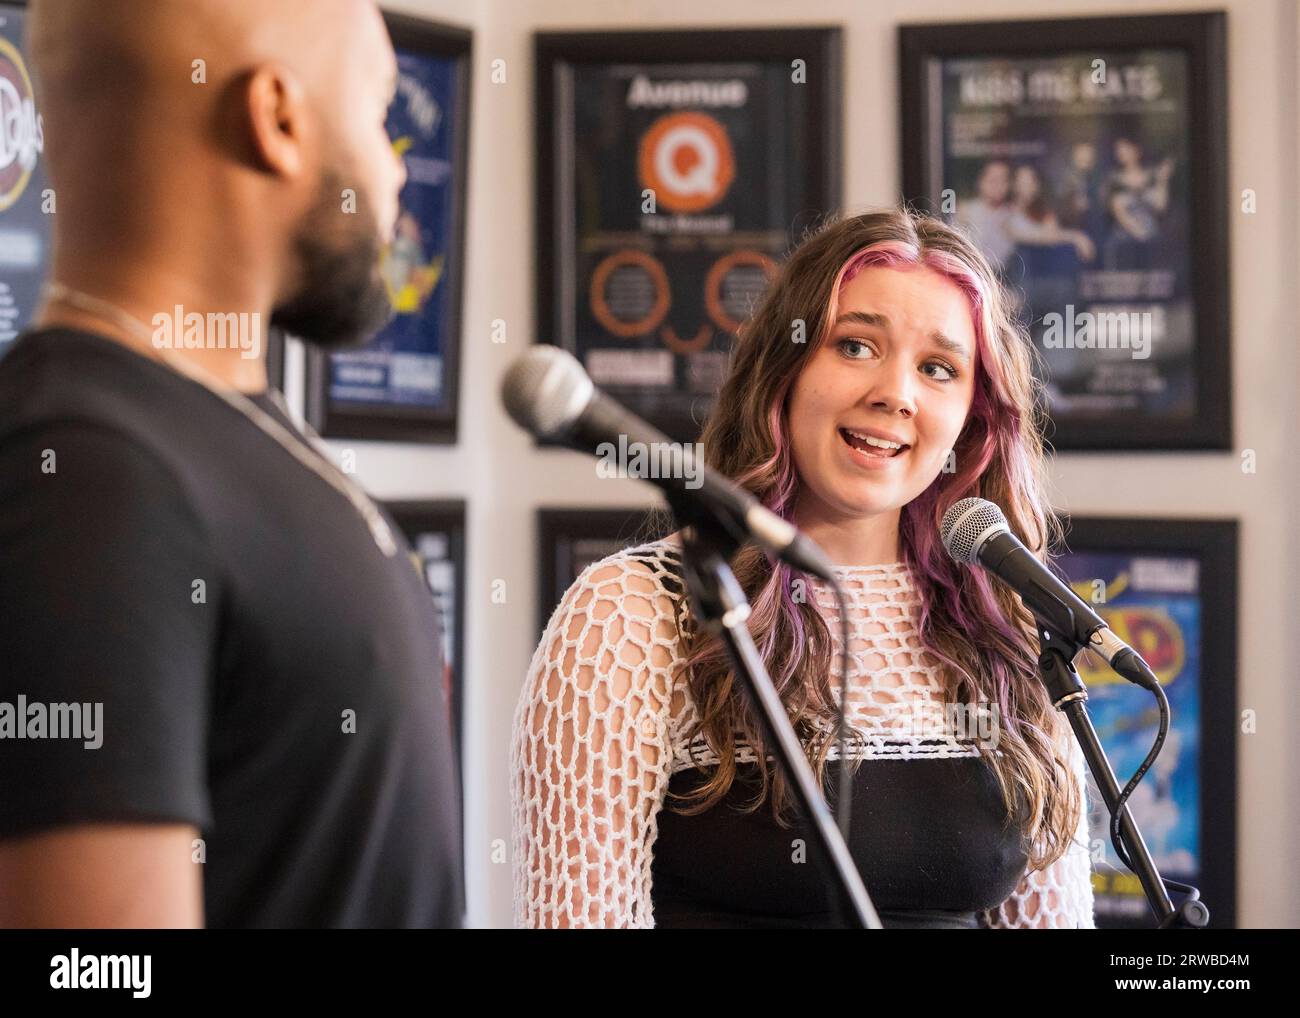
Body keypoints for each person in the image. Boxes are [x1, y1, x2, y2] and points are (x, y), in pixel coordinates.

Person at [0, 0, 463, 928]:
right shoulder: (91, 471)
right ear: (278, 119)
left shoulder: (209, 433)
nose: (397, 170)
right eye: (379, 118)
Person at [510, 208, 1096, 929]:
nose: (895, 393)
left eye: (938, 368)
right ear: (781, 370)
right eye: (855, 346)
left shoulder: (1005, 623)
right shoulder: (629, 616)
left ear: (973, 418)